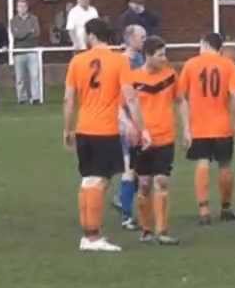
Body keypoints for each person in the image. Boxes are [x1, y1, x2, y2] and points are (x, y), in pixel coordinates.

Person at [63, 18, 145, 253]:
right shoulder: (119, 60)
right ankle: (92, 236)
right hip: (105, 129)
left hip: (84, 128)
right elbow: (130, 97)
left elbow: (69, 99)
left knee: (89, 179)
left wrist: (67, 129)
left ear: (91, 36)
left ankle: (88, 234)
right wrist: (140, 127)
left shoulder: (77, 61)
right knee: (99, 181)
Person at [178, 32, 235, 225]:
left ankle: (204, 210)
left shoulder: (191, 64)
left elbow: (181, 97)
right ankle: (226, 208)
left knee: (202, 162)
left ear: (205, 44)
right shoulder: (228, 65)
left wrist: (186, 127)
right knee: (225, 164)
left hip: (198, 125)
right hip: (222, 124)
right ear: (220, 48)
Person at [127, 35, 181, 245]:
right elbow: (123, 107)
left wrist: (187, 128)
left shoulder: (170, 75)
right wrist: (132, 128)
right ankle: (146, 229)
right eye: (160, 55)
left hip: (165, 137)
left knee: (161, 181)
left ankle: (162, 231)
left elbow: (180, 100)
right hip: (142, 141)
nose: (164, 58)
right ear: (147, 56)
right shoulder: (133, 78)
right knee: (144, 184)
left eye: (164, 54)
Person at [113, 24, 149, 227]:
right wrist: (125, 121)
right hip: (126, 120)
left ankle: (121, 198)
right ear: (130, 39)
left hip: (140, 118)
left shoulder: (141, 60)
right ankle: (126, 217)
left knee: (139, 168)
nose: (144, 40)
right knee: (129, 168)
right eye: (141, 37)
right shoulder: (122, 61)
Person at [10, 0, 43, 105]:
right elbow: (17, 35)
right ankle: (22, 98)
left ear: (27, 7)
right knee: (20, 77)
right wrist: (29, 31)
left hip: (32, 51)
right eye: (20, 6)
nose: (22, 8)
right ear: (17, 8)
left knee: (34, 75)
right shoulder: (13, 21)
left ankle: (35, 97)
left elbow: (37, 33)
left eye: (24, 6)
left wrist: (24, 32)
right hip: (19, 52)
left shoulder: (34, 19)